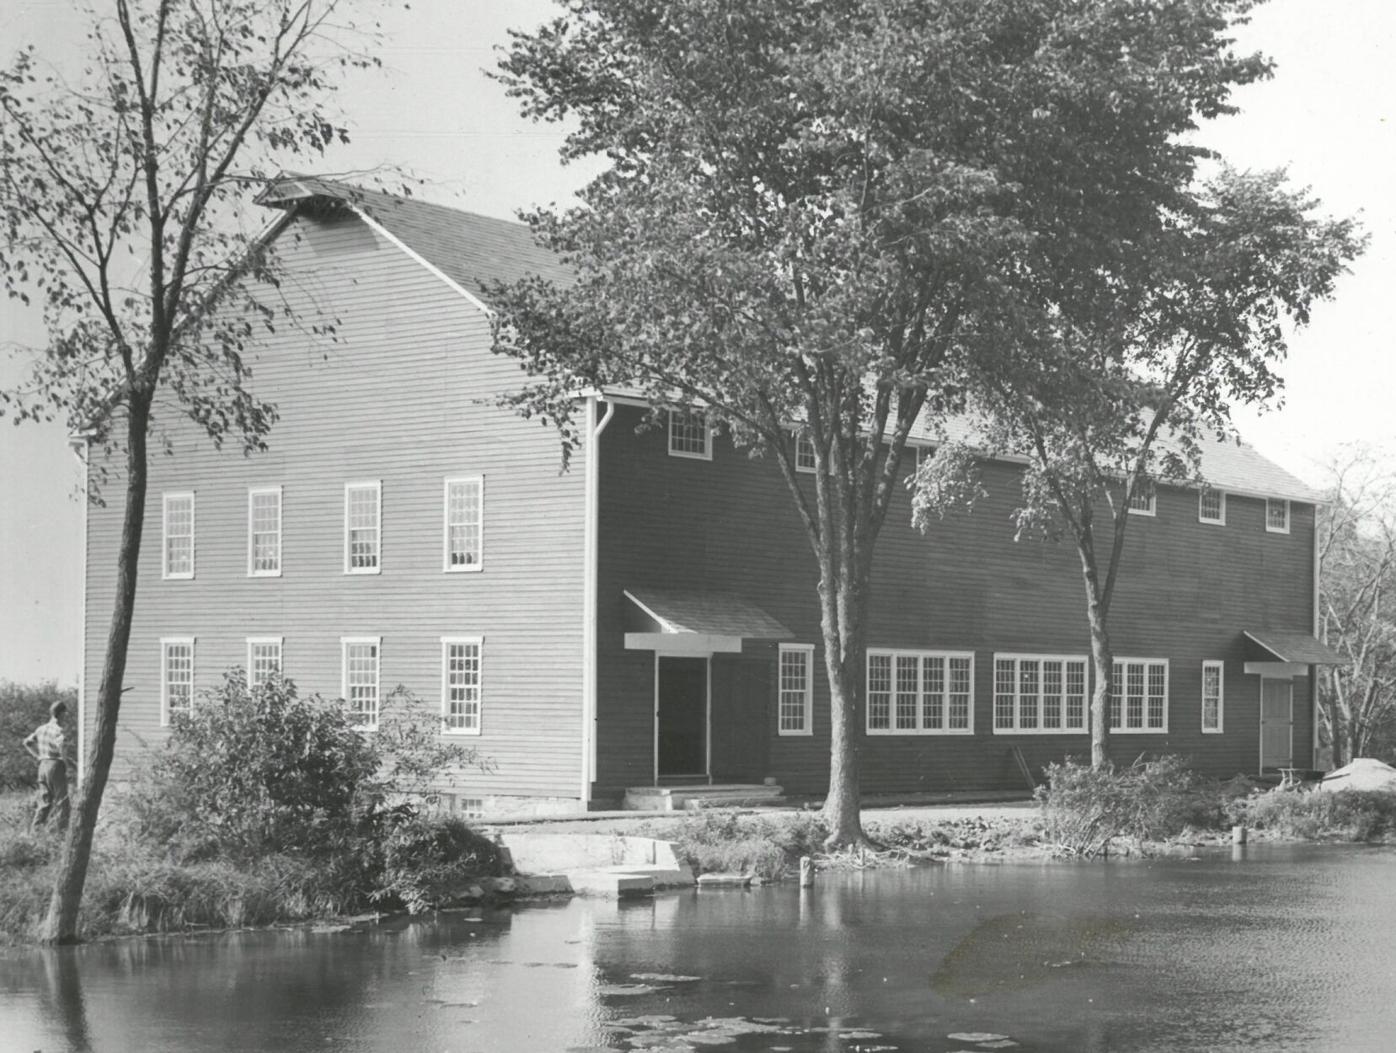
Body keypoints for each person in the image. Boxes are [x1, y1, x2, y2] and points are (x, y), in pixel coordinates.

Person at [23, 699, 71, 831]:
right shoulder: (59, 730)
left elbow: (27, 742)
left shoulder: (41, 729)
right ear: (61, 714)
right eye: (65, 713)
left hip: (43, 765)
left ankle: (35, 833)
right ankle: (61, 833)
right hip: (56, 764)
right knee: (63, 801)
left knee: (44, 802)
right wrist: (66, 765)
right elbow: (62, 746)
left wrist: (37, 756)